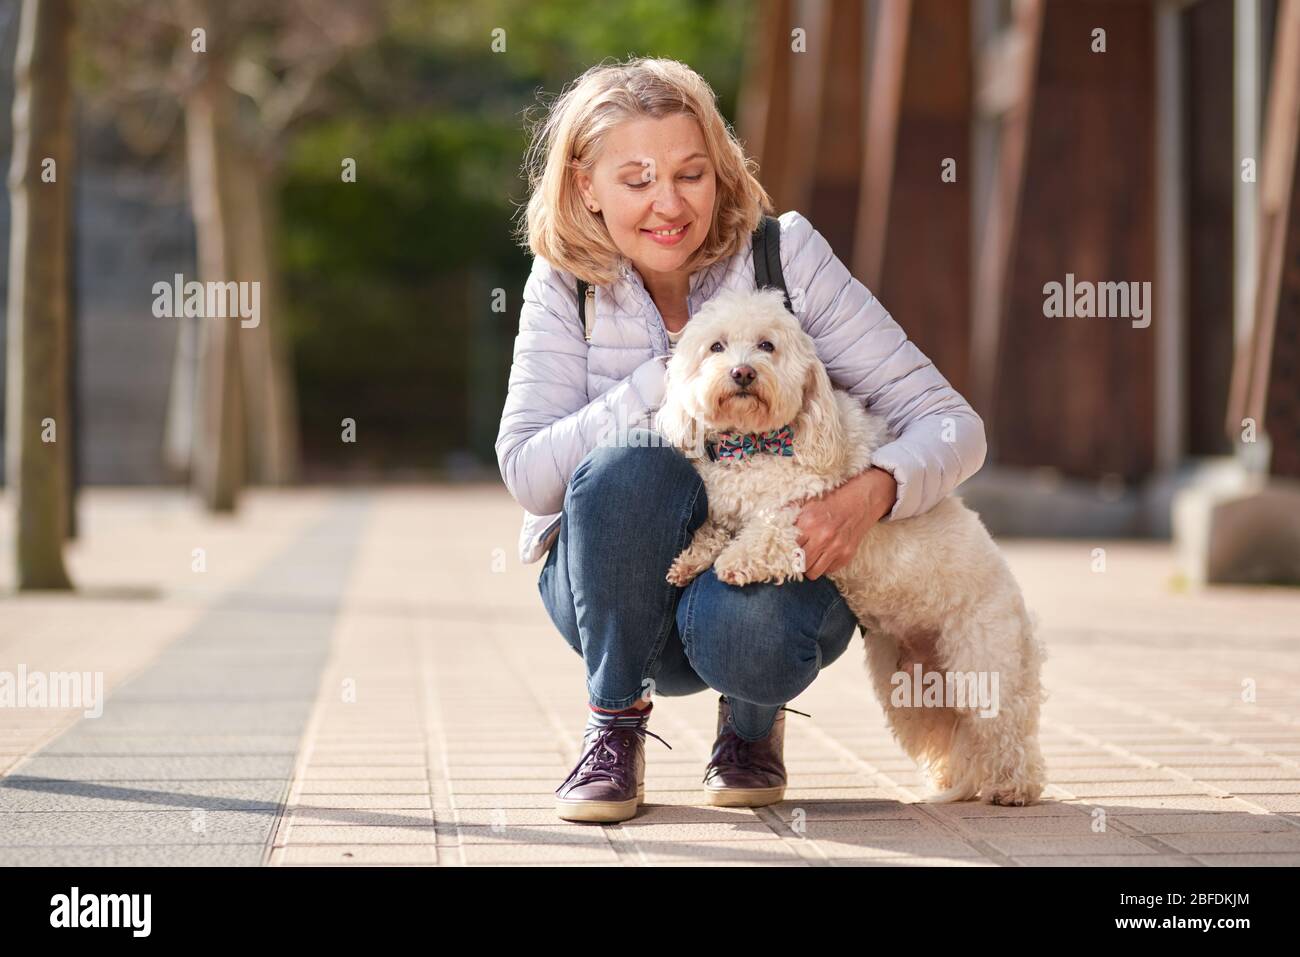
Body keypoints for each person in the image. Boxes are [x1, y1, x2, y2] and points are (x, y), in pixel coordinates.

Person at [495, 57, 986, 823]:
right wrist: (673, 373)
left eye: (690, 173)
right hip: (616, 591)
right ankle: (613, 728)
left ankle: (751, 725)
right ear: (587, 187)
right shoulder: (565, 282)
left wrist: (873, 493)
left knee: (747, 621)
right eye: (636, 180)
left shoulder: (783, 254)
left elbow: (953, 424)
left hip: (761, 595)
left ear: (720, 173)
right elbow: (527, 473)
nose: (668, 203)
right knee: (634, 465)